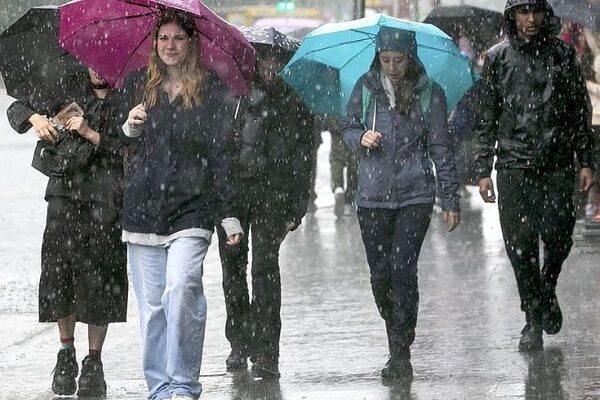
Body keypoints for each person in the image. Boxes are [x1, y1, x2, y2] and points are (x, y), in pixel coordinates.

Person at [119, 11, 242, 400]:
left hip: (192, 206)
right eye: (163, 39)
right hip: (143, 207)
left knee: (182, 287)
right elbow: (114, 137)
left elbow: (222, 153)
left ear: (191, 44)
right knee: (153, 308)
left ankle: (184, 386)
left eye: (177, 39)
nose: (170, 46)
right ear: (155, 45)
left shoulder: (211, 90)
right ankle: (160, 388)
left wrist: (228, 213)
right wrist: (129, 126)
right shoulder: (139, 85)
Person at [474, 0, 595, 352]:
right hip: (513, 166)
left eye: (535, 11)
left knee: (558, 237)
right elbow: (486, 116)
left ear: (544, 14)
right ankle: (532, 319)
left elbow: (578, 110)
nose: (530, 19)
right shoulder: (497, 59)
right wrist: (483, 170)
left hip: (557, 163)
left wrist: (585, 159)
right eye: (522, 12)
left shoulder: (563, 55)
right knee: (520, 246)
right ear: (512, 16)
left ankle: (546, 288)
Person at [341, 27, 461, 380]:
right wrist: (360, 137)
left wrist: (450, 198)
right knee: (380, 277)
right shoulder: (365, 89)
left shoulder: (429, 94)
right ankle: (396, 334)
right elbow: (347, 127)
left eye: (399, 60)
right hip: (372, 197)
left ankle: (400, 349)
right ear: (377, 58)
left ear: (411, 59)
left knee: (402, 270)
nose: (392, 67)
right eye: (386, 60)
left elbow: (441, 148)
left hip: (416, 195)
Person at [6, 67, 127, 397]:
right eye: (90, 61)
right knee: (60, 275)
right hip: (63, 196)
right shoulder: (66, 89)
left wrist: (90, 132)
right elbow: (16, 107)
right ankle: (66, 352)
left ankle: (94, 361)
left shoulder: (128, 99)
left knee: (101, 279)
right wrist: (35, 119)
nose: (96, 69)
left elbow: (131, 150)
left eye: (102, 63)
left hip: (106, 200)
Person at [216, 44, 314, 379]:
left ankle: (267, 350)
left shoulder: (294, 100)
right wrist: (223, 203)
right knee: (233, 268)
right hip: (234, 194)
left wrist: (297, 206)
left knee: (264, 268)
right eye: (263, 59)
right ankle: (240, 340)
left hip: (273, 194)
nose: (270, 66)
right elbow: (220, 150)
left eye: (276, 59)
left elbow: (304, 155)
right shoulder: (233, 93)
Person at [328, 115, 359, 218]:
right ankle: (349, 199)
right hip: (353, 127)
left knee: (337, 159)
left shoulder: (334, 99)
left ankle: (338, 187)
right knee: (354, 163)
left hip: (336, 126)